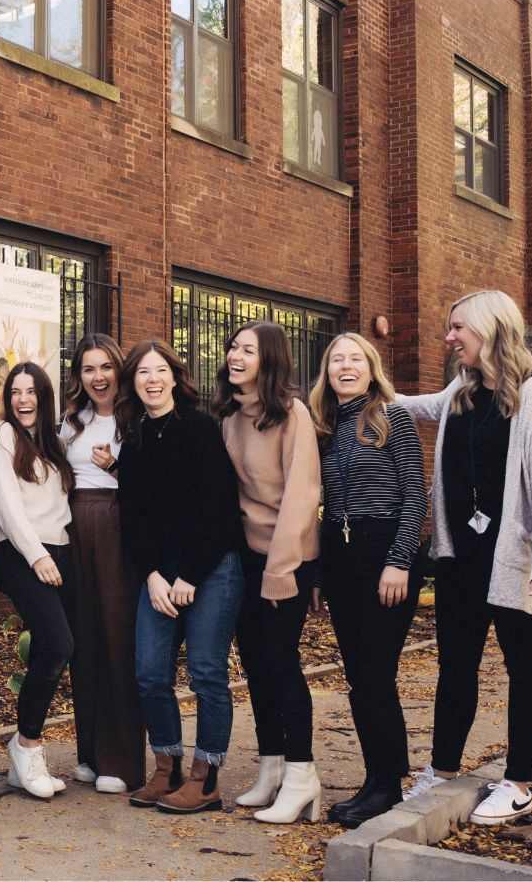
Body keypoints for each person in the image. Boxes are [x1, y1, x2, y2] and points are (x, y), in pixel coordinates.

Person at [400, 291, 532, 827]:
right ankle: (441, 769)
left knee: (524, 666)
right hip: (461, 558)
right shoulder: (463, 389)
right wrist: (375, 394)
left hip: (517, 562)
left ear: (489, 328)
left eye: (458, 327)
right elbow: (427, 407)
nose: (450, 336)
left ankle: (519, 783)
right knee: (455, 666)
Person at [118, 339, 244, 815]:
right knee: (150, 673)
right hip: (160, 576)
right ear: (134, 383)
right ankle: (166, 769)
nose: (151, 379)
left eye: (159, 370)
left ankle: (205, 778)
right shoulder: (133, 441)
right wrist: (152, 575)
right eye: (142, 373)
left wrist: (189, 573)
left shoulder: (200, 429)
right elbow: (134, 522)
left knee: (207, 673)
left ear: (174, 376)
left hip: (212, 568)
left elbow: (218, 510)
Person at [306, 333, 427, 827]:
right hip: (340, 558)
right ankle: (377, 779)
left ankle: (387, 785)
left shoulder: (391, 415)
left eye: (356, 358)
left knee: (376, 674)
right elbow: (320, 507)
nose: (346, 366)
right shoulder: (325, 424)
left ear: (371, 366)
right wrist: (317, 574)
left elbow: (417, 497)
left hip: (385, 558)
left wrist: (399, 561)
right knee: (359, 676)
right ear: (327, 370)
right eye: (338, 359)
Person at [217, 322, 324, 824]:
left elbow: (302, 497)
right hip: (247, 559)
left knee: (281, 664)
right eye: (234, 347)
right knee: (256, 665)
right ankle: (272, 765)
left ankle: (303, 775)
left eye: (247, 349)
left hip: (287, 559)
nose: (235, 354)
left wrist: (280, 571)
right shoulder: (231, 419)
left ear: (269, 359)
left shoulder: (293, 414)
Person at [0, 361, 75, 799]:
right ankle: (27, 746)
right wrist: (36, 556)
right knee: (59, 644)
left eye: (31, 391)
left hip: (58, 551)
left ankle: (25, 759)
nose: (22, 399)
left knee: (45, 646)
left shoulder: (54, 443)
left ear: (44, 396)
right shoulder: (0, 434)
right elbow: (5, 504)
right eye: (15, 392)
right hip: (21, 553)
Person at [60, 334, 145, 795]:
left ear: (118, 370)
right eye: (88, 369)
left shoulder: (136, 421)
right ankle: (90, 753)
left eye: (105, 368)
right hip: (75, 528)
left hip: (117, 527)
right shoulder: (72, 422)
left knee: (118, 638)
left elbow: (153, 484)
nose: (97, 377)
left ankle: (124, 761)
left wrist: (115, 468)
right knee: (84, 638)